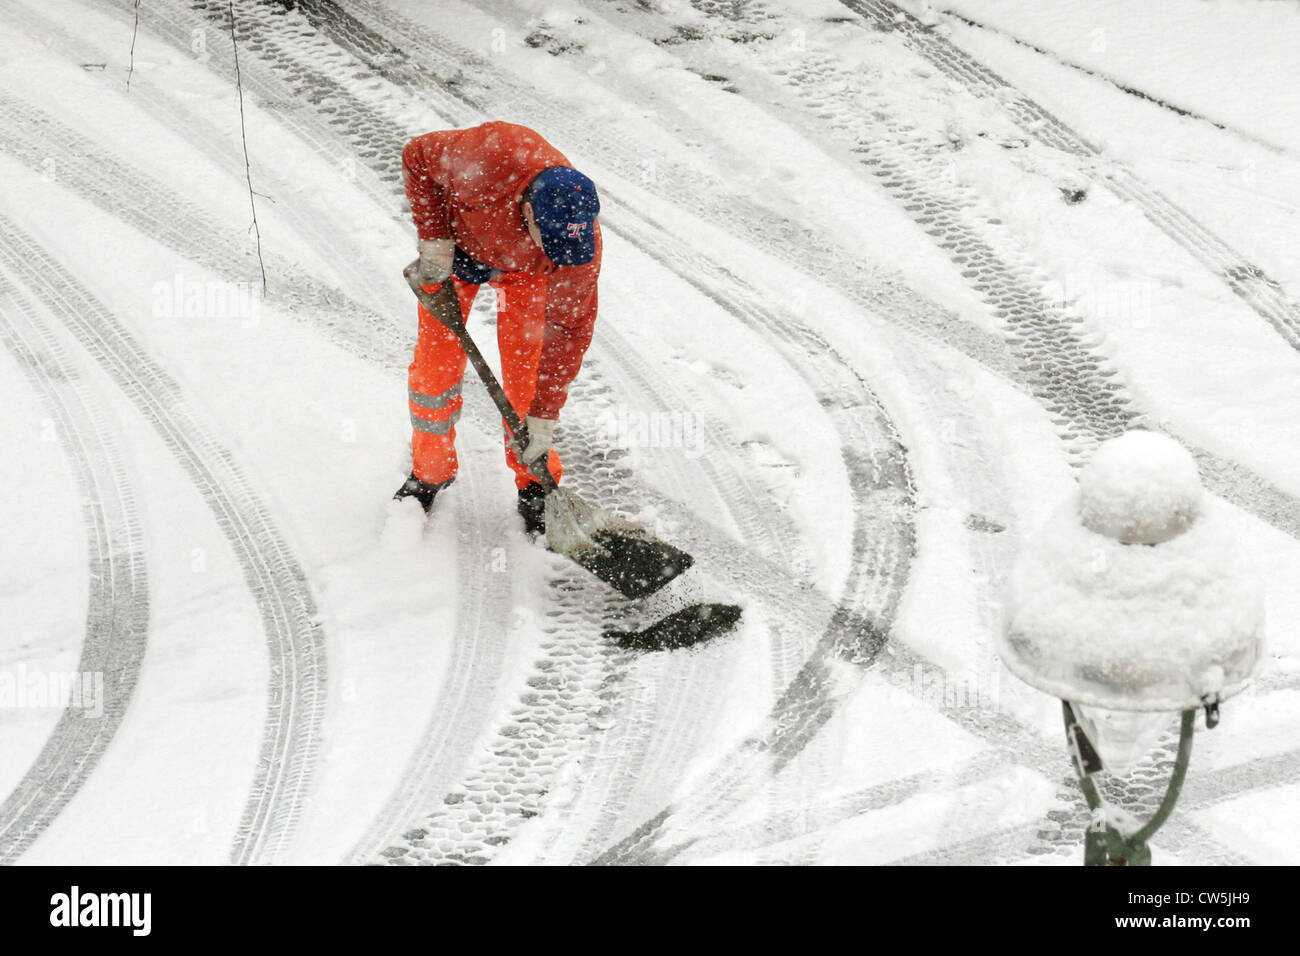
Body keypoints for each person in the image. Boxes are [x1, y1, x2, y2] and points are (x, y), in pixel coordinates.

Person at [394, 121, 601, 536]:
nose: (562, 256)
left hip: (526, 275)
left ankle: (535, 485)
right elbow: (417, 156)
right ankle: (430, 473)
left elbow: (568, 337)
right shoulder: (493, 153)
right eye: (552, 244)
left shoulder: (577, 251)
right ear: (529, 211)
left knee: (527, 383)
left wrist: (542, 419)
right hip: (456, 256)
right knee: (434, 373)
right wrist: (435, 239)